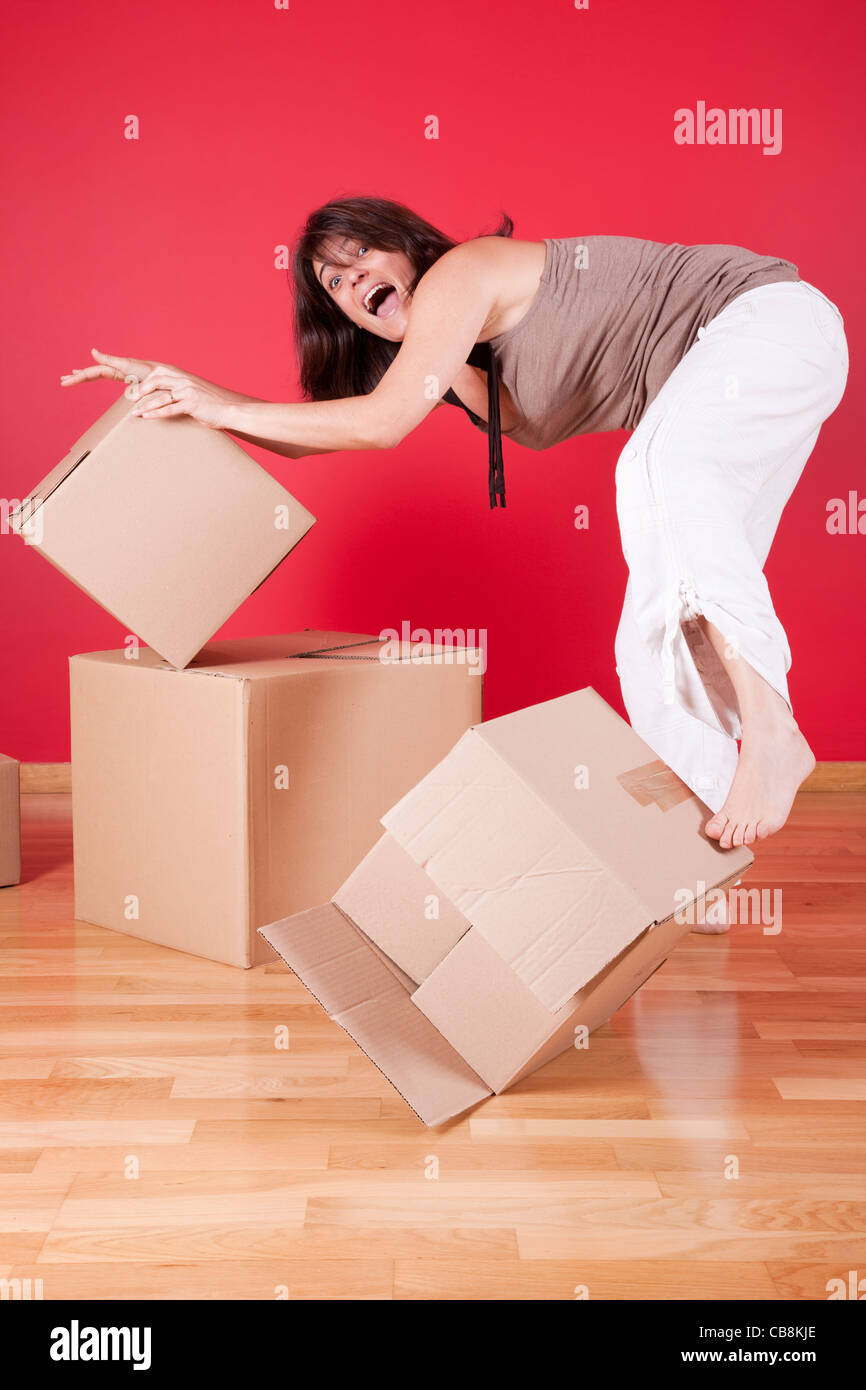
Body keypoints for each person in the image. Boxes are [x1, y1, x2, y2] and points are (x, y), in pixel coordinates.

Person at [60, 195, 848, 876]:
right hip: (753, 371)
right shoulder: (460, 366)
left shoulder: (463, 273)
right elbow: (316, 436)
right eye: (334, 282)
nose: (353, 277)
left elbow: (381, 424)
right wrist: (194, 395)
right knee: (659, 620)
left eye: (362, 252)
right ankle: (696, 860)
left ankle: (772, 733)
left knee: (654, 476)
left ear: (408, 248)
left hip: (767, 325)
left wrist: (215, 404)